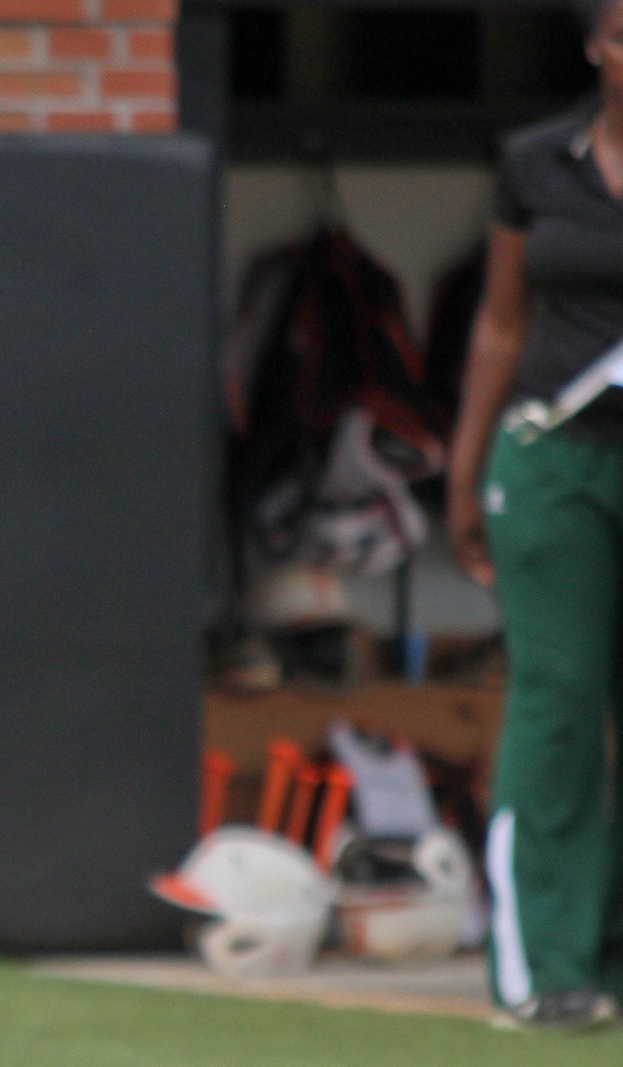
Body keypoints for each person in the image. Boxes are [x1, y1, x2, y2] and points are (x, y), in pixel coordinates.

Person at [446, 0, 623, 1030]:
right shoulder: (535, 162)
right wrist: (465, 472)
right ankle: (545, 964)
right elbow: (500, 320)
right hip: (552, 458)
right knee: (556, 705)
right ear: (600, 48)